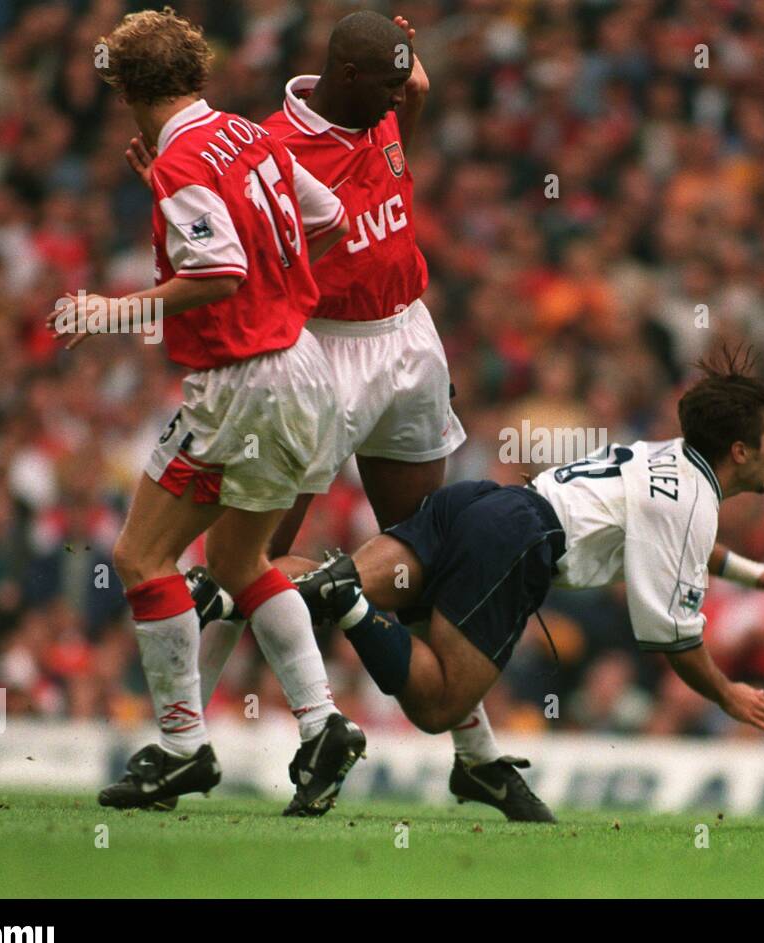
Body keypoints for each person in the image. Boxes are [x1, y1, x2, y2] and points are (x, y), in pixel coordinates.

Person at [123, 10, 556, 821]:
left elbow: (416, 80)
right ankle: (189, 740)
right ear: (349, 78)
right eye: (390, 82)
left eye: (404, 79)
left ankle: (478, 756)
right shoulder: (274, 142)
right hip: (321, 347)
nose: (407, 94)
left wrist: (404, 44)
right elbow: (226, 237)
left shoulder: (390, 107)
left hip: (409, 338)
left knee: (422, 551)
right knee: (249, 558)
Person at [53, 7, 360, 816]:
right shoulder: (243, 134)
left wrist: (108, 311)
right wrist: (271, 280)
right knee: (236, 562)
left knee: (140, 557)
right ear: (194, 72)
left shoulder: (185, 160)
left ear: (123, 88)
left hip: (242, 379)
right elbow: (327, 219)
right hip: (301, 366)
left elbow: (218, 269)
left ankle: (184, 747)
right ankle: (324, 724)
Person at [295, 349, 764, 737]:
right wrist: (727, 694)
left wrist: (754, 573)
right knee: (441, 708)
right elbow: (675, 641)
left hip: (483, 503)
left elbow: (677, 543)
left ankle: (233, 586)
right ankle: (352, 608)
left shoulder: (671, 454)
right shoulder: (690, 507)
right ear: (739, 451)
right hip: (518, 543)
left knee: (314, 584)